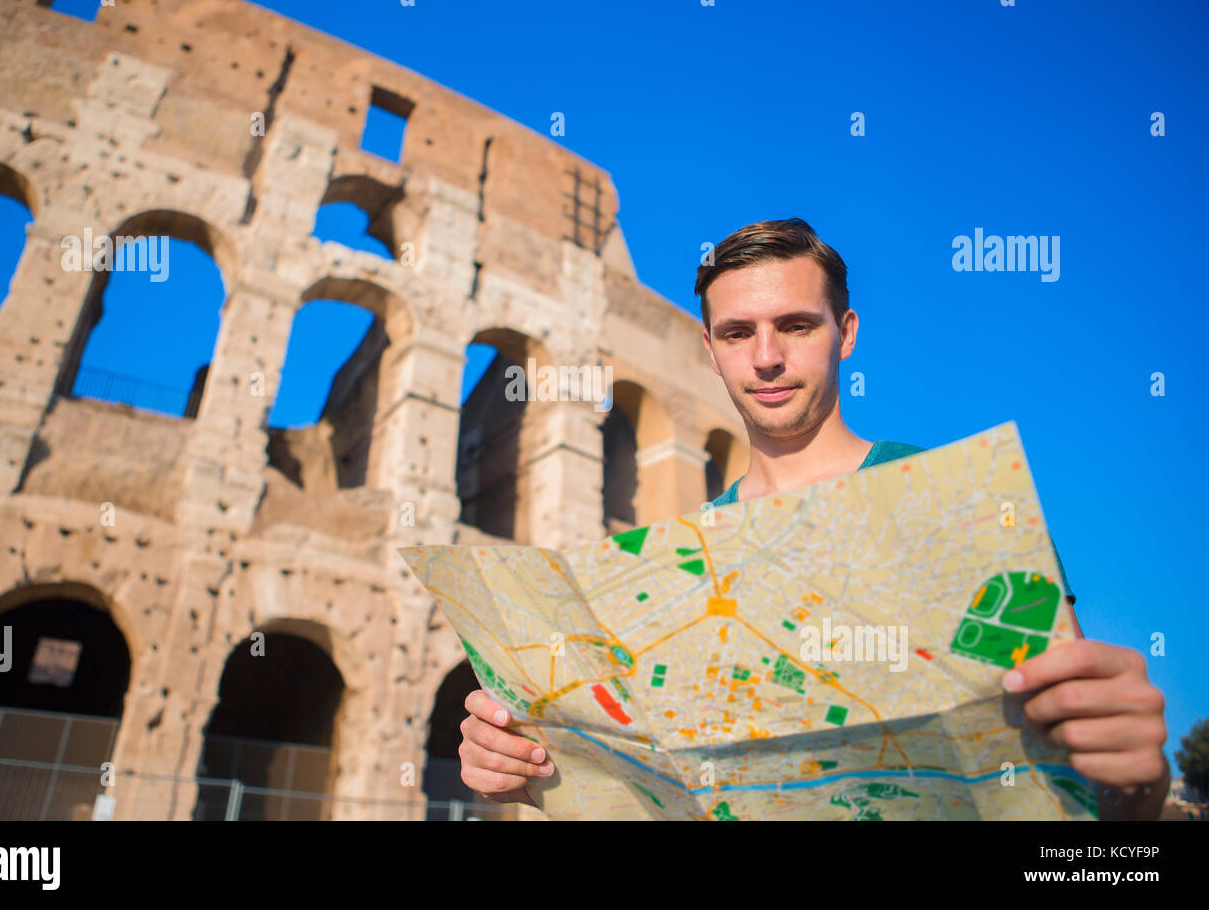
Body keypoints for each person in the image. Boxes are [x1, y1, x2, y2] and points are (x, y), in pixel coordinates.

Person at [458, 218, 1170, 819]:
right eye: (737, 334)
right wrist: (530, 773)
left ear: (846, 332)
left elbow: (1087, 795)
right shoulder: (678, 567)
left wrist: (1137, 778)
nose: (766, 359)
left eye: (795, 325)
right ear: (710, 351)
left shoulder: (968, 503)